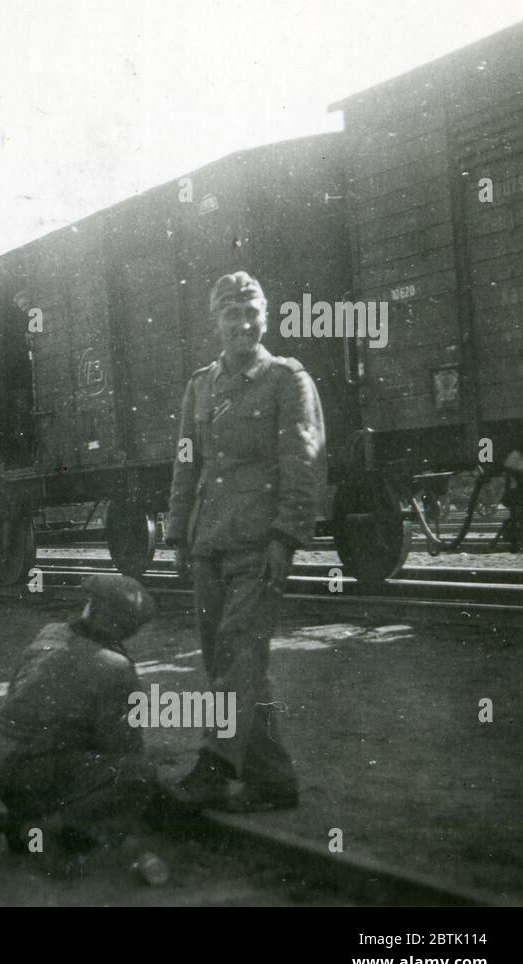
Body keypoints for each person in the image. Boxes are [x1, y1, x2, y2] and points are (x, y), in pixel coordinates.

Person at [166, 271, 326, 813]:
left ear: (267, 314)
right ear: (216, 322)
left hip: (259, 545)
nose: (244, 321)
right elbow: (188, 463)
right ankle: (272, 780)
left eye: (252, 310)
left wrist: (286, 537)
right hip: (209, 544)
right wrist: (175, 533)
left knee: (238, 651)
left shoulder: (287, 380)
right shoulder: (201, 386)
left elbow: (302, 463)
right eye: (231, 313)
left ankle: (214, 765)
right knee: (229, 662)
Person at [0, 574, 169, 883]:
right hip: (37, 775)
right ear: (121, 624)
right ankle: (43, 832)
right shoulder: (115, 667)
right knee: (138, 774)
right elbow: (122, 748)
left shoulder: (50, 633)